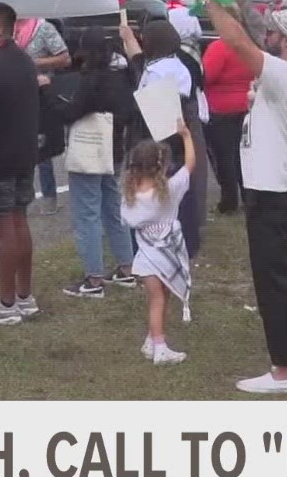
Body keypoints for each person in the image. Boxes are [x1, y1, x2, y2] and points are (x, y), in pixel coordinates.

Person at [174, 0, 287, 394]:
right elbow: (248, 37)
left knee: (270, 280)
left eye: (276, 33)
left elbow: (239, 42)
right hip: (276, 184)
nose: (270, 36)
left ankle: (284, 371)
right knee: (273, 272)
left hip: (272, 190)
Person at [56, 30, 139, 298]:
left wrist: (47, 90)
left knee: (87, 213)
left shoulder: (90, 80)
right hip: (113, 150)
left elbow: (70, 113)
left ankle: (94, 279)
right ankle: (127, 268)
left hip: (89, 153)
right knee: (113, 208)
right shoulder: (120, 79)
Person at [0, 2, 42, 325]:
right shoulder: (25, 61)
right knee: (19, 222)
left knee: (3, 230)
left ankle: (6, 301)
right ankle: (25, 295)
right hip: (25, 154)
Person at [130, 17, 211, 255]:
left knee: (171, 190)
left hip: (165, 134)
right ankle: (187, 238)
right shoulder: (174, 63)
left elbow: (156, 110)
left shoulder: (160, 71)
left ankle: (172, 240)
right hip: (174, 131)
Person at [123, 122, 197, 365]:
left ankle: (152, 340)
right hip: (167, 254)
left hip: (146, 257)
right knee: (159, 301)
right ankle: (160, 348)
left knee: (158, 299)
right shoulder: (170, 190)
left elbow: (127, 219)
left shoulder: (131, 195)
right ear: (162, 166)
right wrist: (186, 135)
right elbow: (189, 166)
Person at [13, 16, 71, 214]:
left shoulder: (43, 28)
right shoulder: (5, 28)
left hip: (40, 94)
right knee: (16, 147)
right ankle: (20, 197)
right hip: (13, 93)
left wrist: (33, 62)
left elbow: (65, 58)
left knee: (41, 146)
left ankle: (49, 197)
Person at [201, 23, 252, 214]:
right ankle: (249, 197)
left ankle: (228, 200)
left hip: (221, 108)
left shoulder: (220, 48)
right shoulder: (249, 46)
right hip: (246, 105)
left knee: (224, 157)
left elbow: (207, 76)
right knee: (244, 156)